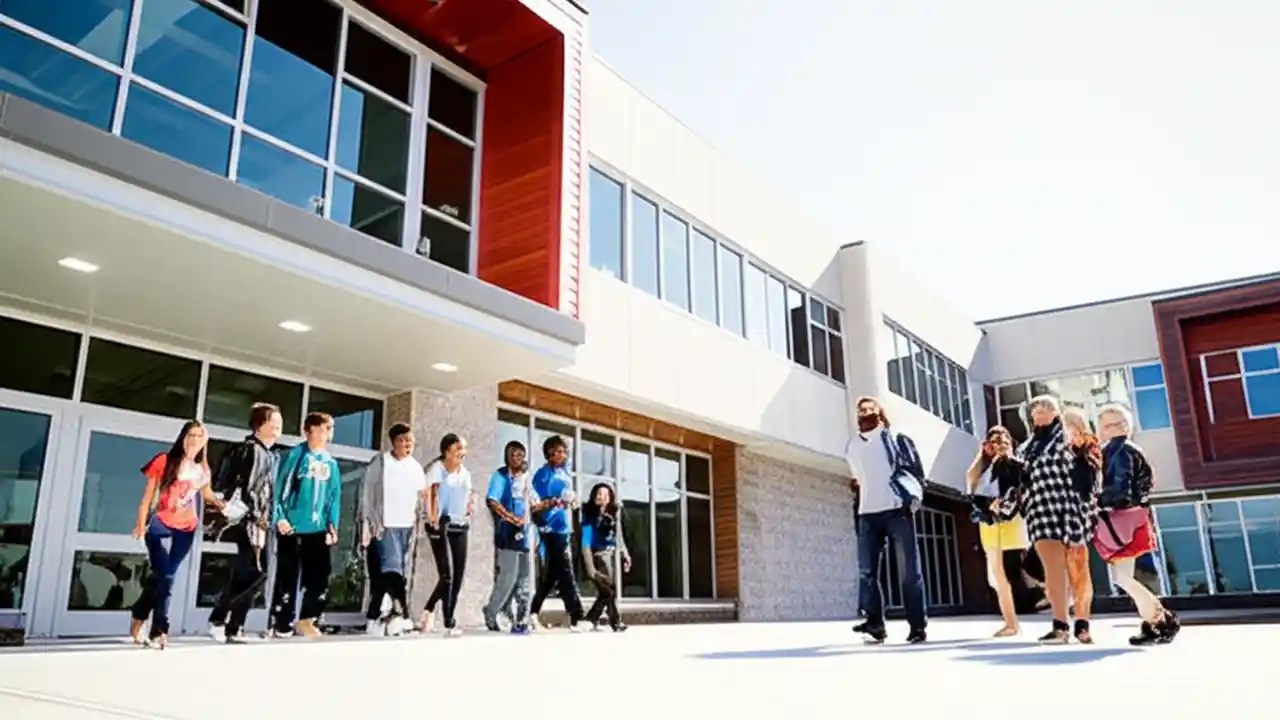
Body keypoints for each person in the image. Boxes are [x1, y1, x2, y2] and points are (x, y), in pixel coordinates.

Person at [129, 420, 224, 649]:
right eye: (191, 435)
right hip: (160, 525)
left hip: (186, 529)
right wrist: (141, 524)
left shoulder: (202, 469)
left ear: (205, 441)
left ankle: (139, 614)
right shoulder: (165, 461)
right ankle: (159, 630)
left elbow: (208, 494)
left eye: (200, 436)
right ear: (183, 437)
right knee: (167, 578)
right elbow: (147, 497)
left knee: (163, 577)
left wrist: (224, 505)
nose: (195, 440)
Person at [1094, 405, 1181, 645]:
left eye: (1119, 423)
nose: (1116, 428)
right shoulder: (1119, 450)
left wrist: (1098, 502)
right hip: (1130, 519)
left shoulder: (1120, 451)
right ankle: (1156, 622)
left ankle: (1161, 620)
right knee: (1127, 577)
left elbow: (1120, 489)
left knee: (1124, 577)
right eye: (1110, 425)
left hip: (1124, 519)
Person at [845, 396, 928, 644]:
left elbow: (915, 473)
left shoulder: (895, 439)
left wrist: (912, 500)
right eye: (861, 410)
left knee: (909, 572)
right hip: (867, 513)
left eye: (870, 408)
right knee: (866, 572)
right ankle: (875, 624)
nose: (865, 412)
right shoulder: (852, 446)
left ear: (880, 412)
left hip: (897, 511)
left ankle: (917, 627)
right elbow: (857, 478)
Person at [1019, 395, 1097, 644]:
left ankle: (1083, 623)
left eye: (1047, 407)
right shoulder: (1025, 448)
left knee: (1077, 569)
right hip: (1040, 511)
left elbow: (1091, 472)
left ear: (1058, 412)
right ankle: (1060, 626)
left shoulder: (1070, 437)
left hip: (1071, 509)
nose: (1040, 411)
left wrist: (1088, 499)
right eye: (1036, 408)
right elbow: (1020, 483)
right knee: (1053, 571)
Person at [207, 403, 283, 644]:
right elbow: (247, 488)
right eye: (274, 422)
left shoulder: (270, 453)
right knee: (252, 572)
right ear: (260, 424)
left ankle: (234, 625)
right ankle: (221, 618)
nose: (278, 427)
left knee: (253, 573)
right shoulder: (252, 450)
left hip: (259, 521)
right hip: (250, 521)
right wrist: (255, 514)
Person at [270, 412, 342, 638]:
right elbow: (280, 489)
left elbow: (334, 496)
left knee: (320, 578)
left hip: (318, 530)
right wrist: (279, 517)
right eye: (321, 428)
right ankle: (282, 623)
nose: (326, 433)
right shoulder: (296, 455)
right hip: (292, 528)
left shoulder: (330, 462)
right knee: (287, 577)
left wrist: (332, 525)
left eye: (329, 429)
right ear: (308, 430)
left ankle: (307, 619)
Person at [358, 422, 428, 637]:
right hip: (383, 525)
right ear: (393, 442)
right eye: (403, 441)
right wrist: (366, 526)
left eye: (410, 442)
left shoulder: (415, 467)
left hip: (406, 527)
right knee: (392, 571)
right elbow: (366, 495)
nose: (407, 445)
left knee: (389, 574)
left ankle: (375, 618)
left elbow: (422, 497)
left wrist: (423, 522)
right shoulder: (380, 463)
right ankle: (400, 614)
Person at [483, 441, 555, 634]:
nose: (518, 459)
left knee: (524, 579)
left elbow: (534, 505)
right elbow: (492, 500)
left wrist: (551, 502)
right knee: (508, 577)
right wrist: (510, 517)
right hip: (507, 532)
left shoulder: (526, 479)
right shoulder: (500, 476)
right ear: (507, 456)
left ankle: (522, 618)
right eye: (514, 455)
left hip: (525, 535)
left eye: (521, 455)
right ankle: (492, 612)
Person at [965, 425, 1030, 637]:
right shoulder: (986, 470)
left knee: (1024, 571)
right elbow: (970, 481)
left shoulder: (1017, 465)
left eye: (1004, 441)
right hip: (990, 526)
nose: (999, 445)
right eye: (994, 442)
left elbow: (1022, 489)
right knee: (997, 577)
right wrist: (981, 454)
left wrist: (1007, 456)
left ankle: (1060, 603)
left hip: (1012, 522)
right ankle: (1011, 623)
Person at [529, 435, 587, 632]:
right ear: (548, 453)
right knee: (566, 572)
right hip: (549, 528)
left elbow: (567, 497)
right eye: (556, 451)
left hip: (564, 527)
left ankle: (532, 613)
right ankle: (577, 616)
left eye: (563, 451)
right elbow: (536, 505)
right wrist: (555, 500)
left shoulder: (565, 472)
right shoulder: (542, 475)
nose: (560, 454)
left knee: (551, 577)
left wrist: (573, 500)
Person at [422, 433, 473, 637]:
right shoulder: (437, 470)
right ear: (446, 451)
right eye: (457, 449)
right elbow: (429, 495)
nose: (462, 453)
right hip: (440, 523)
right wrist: (433, 520)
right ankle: (447, 620)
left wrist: (470, 508)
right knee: (447, 575)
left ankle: (432, 611)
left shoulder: (465, 473)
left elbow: (468, 496)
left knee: (457, 576)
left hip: (460, 525)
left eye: (463, 449)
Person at [1061, 406, 1101, 643]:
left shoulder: (1087, 451)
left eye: (1069, 426)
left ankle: (1082, 623)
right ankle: (1062, 622)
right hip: (1055, 521)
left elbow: (1091, 487)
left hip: (1077, 520)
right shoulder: (1053, 452)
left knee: (1079, 574)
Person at [581, 482, 630, 632]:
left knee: (607, 592)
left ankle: (592, 619)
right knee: (609, 591)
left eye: (605, 494)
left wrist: (625, 554)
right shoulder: (589, 517)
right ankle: (612, 622)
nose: (602, 497)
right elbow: (585, 543)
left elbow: (618, 537)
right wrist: (591, 569)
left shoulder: (613, 515)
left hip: (610, 557)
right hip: (598, 557)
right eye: (599, 494)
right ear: (594, 497)